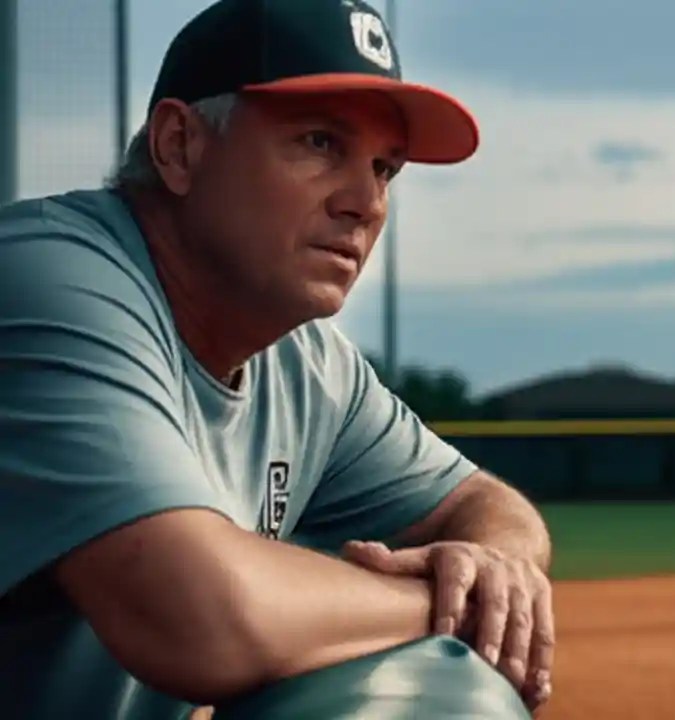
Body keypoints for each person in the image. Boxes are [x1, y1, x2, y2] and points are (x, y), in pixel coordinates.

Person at [0, 1, 555, 718]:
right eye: (321, 143)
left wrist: (487, 564)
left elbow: (493, 509)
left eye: (385, 168)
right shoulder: (45, 283)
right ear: (179, 146)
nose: (365, 203)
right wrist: (442, 601)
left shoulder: (307, 365)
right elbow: (202, 624)